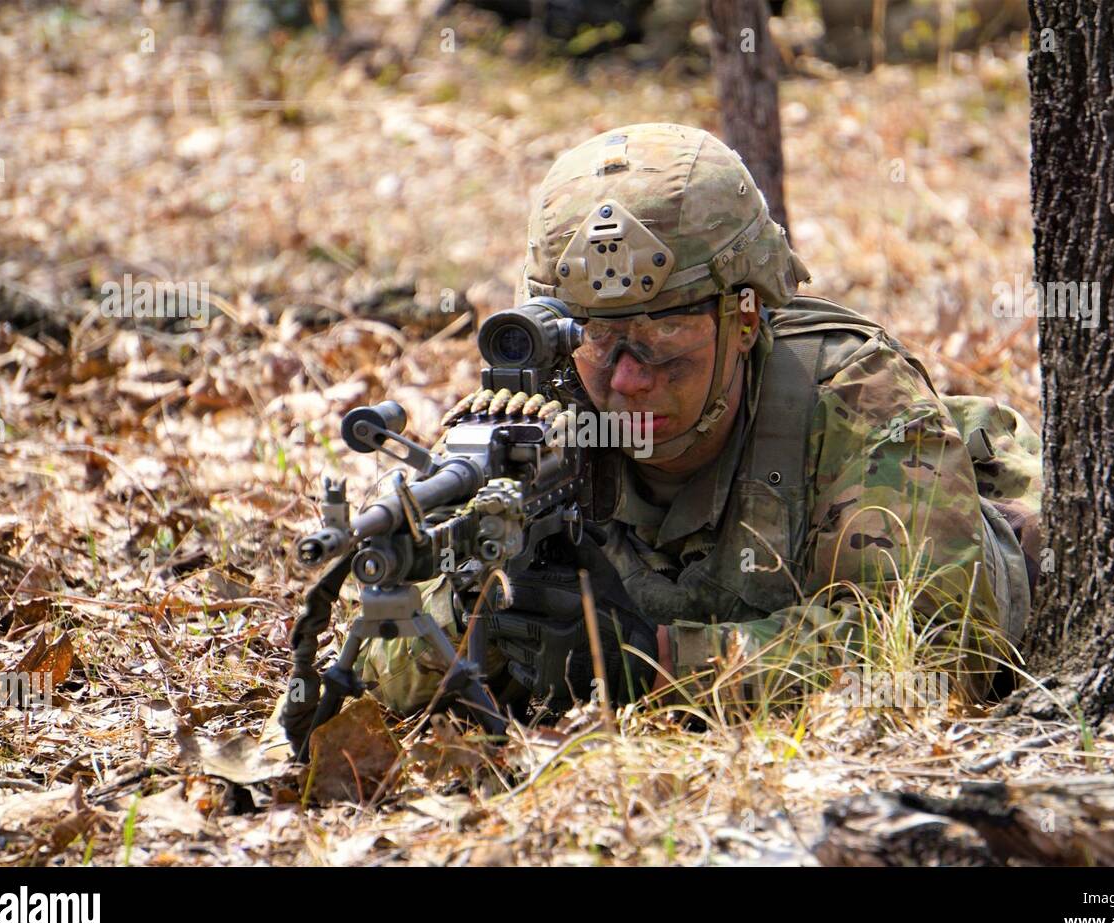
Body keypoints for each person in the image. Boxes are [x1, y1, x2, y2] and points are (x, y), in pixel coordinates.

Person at [281, 122, 1041, 738]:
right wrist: (482, 624)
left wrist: (652, 664)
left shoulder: (851, 399)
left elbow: (938, 652)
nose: (628, 379)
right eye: (597, 340)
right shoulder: (537, 425)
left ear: (745, 318)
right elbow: (389, 663)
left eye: (668, 335)